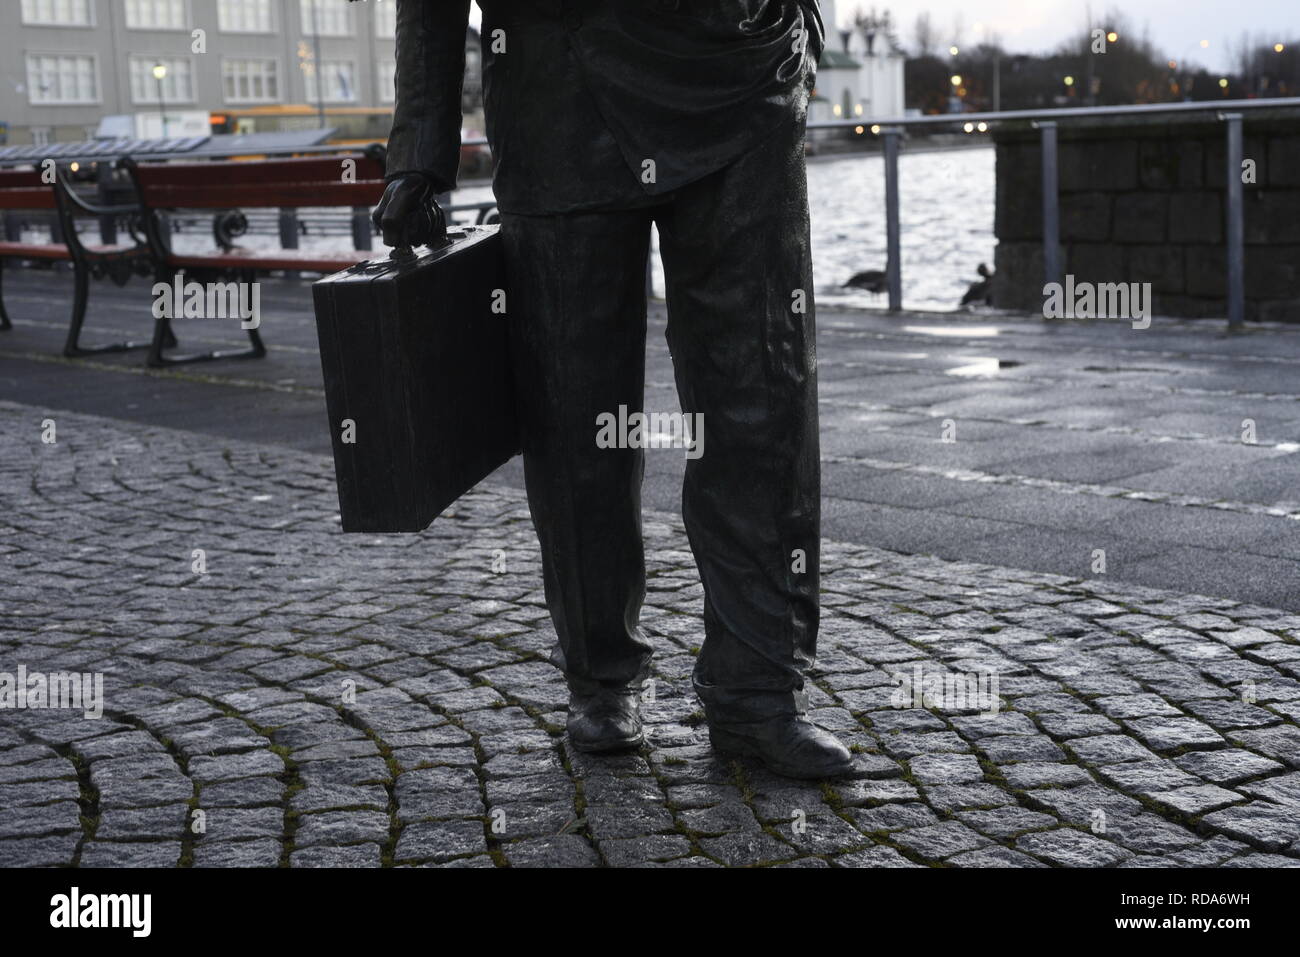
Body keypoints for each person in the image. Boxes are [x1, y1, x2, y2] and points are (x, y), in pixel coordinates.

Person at [372, 0, 862, 779]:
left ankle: (758, 685)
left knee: (762, 400)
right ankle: (600, 675)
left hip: (741, 83)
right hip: (558, 101)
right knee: (576, 412)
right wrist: (417, 153)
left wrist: (798, 36)